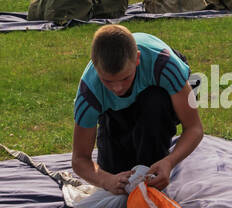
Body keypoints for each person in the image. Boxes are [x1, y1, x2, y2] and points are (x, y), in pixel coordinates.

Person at [71, 25, 204, 195]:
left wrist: (169, 161)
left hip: (158, 97)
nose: (118, 88)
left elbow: (194, 128)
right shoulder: (88, 92)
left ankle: (154, 155)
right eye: (108, 81)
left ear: (138, 59)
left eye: (125, 78)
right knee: (117, 182)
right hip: (115, 110)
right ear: (95, 69)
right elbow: (80, 159)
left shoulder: (164, 65)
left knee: (154, 106)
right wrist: (106, 180)